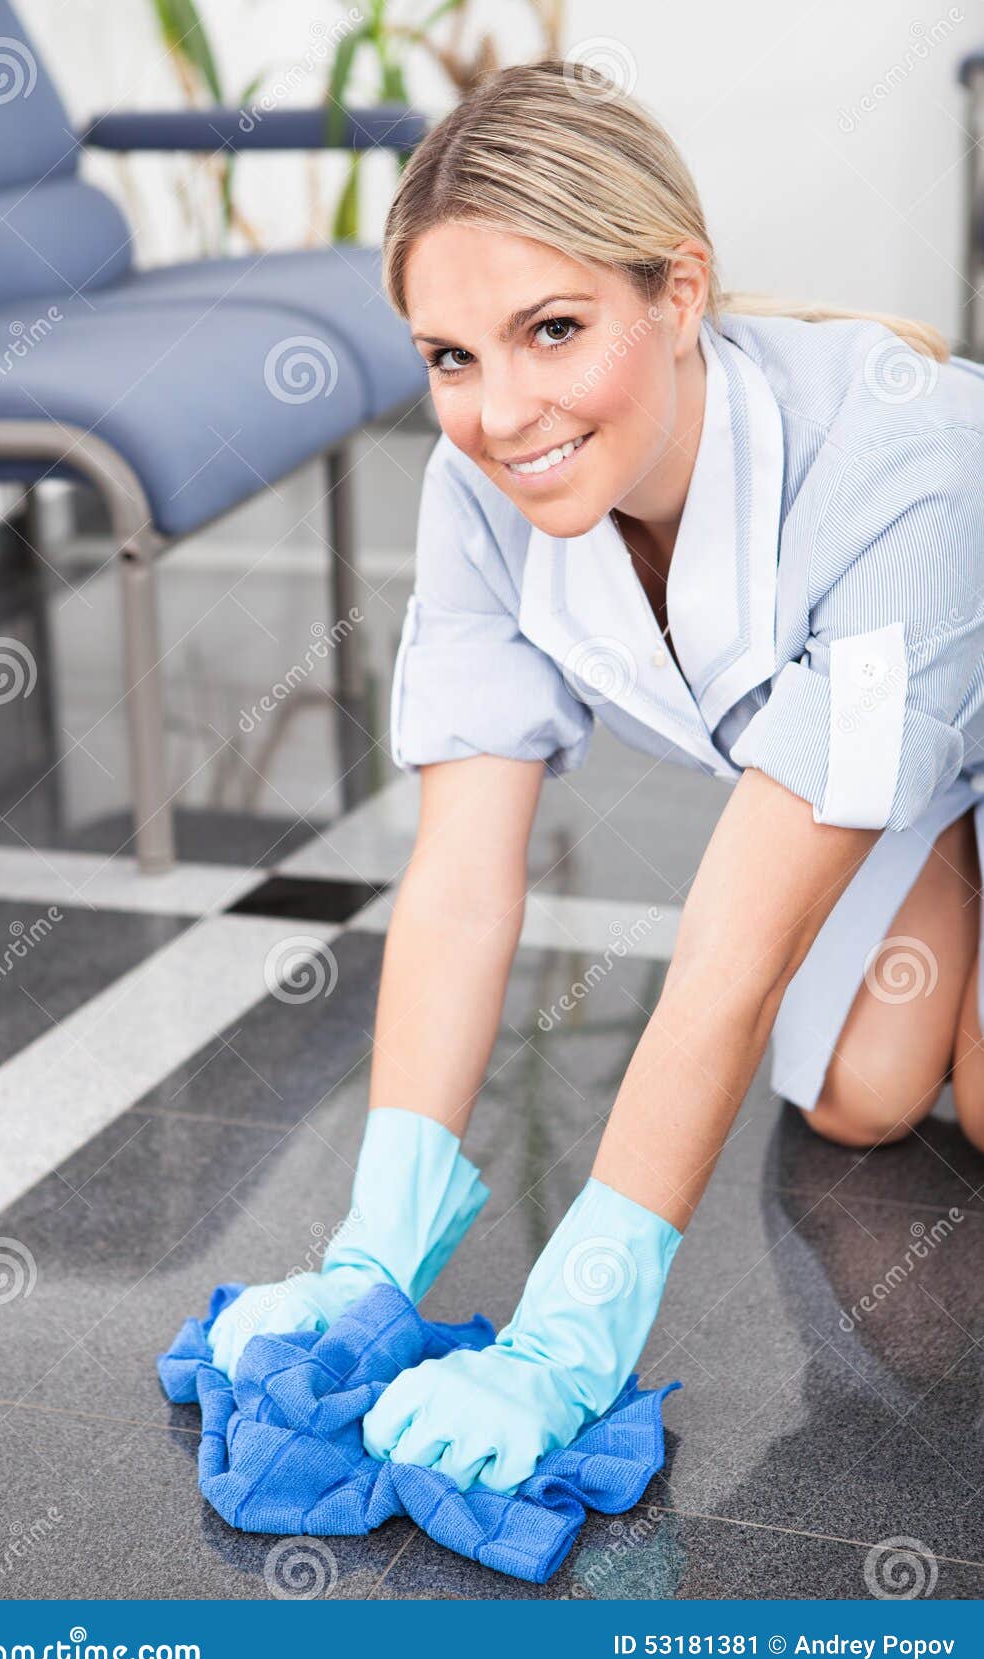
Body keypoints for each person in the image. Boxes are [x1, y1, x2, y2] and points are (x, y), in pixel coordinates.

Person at [209, 58, 984, 1495]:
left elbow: (732, 955)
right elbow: (456, 878)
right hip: (911, 756)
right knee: (865, 1095)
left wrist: (573, 1334)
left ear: (678, 293)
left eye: (552, 329)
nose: (501, 412)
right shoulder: (482, 492)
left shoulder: (904, 472)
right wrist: (376, 1247)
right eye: (452, 356)